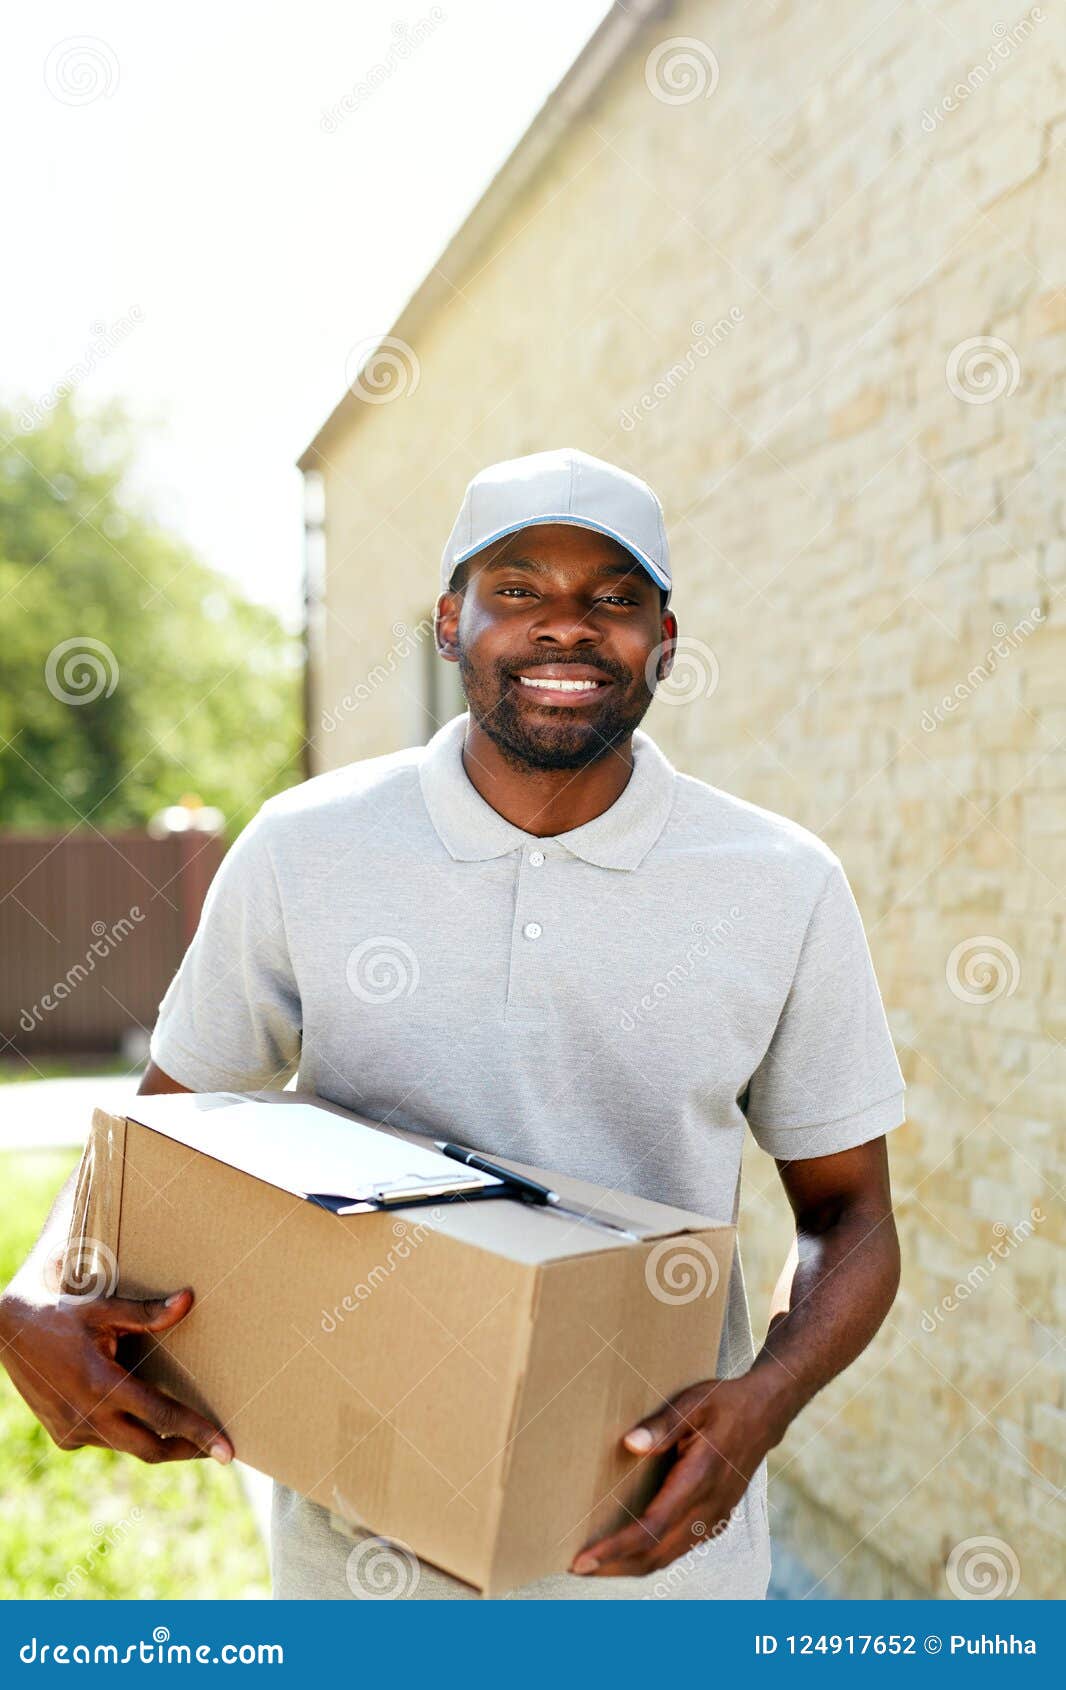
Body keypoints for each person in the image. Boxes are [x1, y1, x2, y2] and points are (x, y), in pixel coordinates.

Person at [0, 447, 905, 1600]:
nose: (566, 628)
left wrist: (761, 1405)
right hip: (359, 1567)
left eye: (613, 598)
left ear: (665, 642)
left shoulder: (780, 883)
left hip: (660, 1571)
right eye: (518, 590)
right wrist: (35, 1290)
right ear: (447, 623)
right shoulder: (303, 848)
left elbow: (851, 1213)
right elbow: (161, 1137)